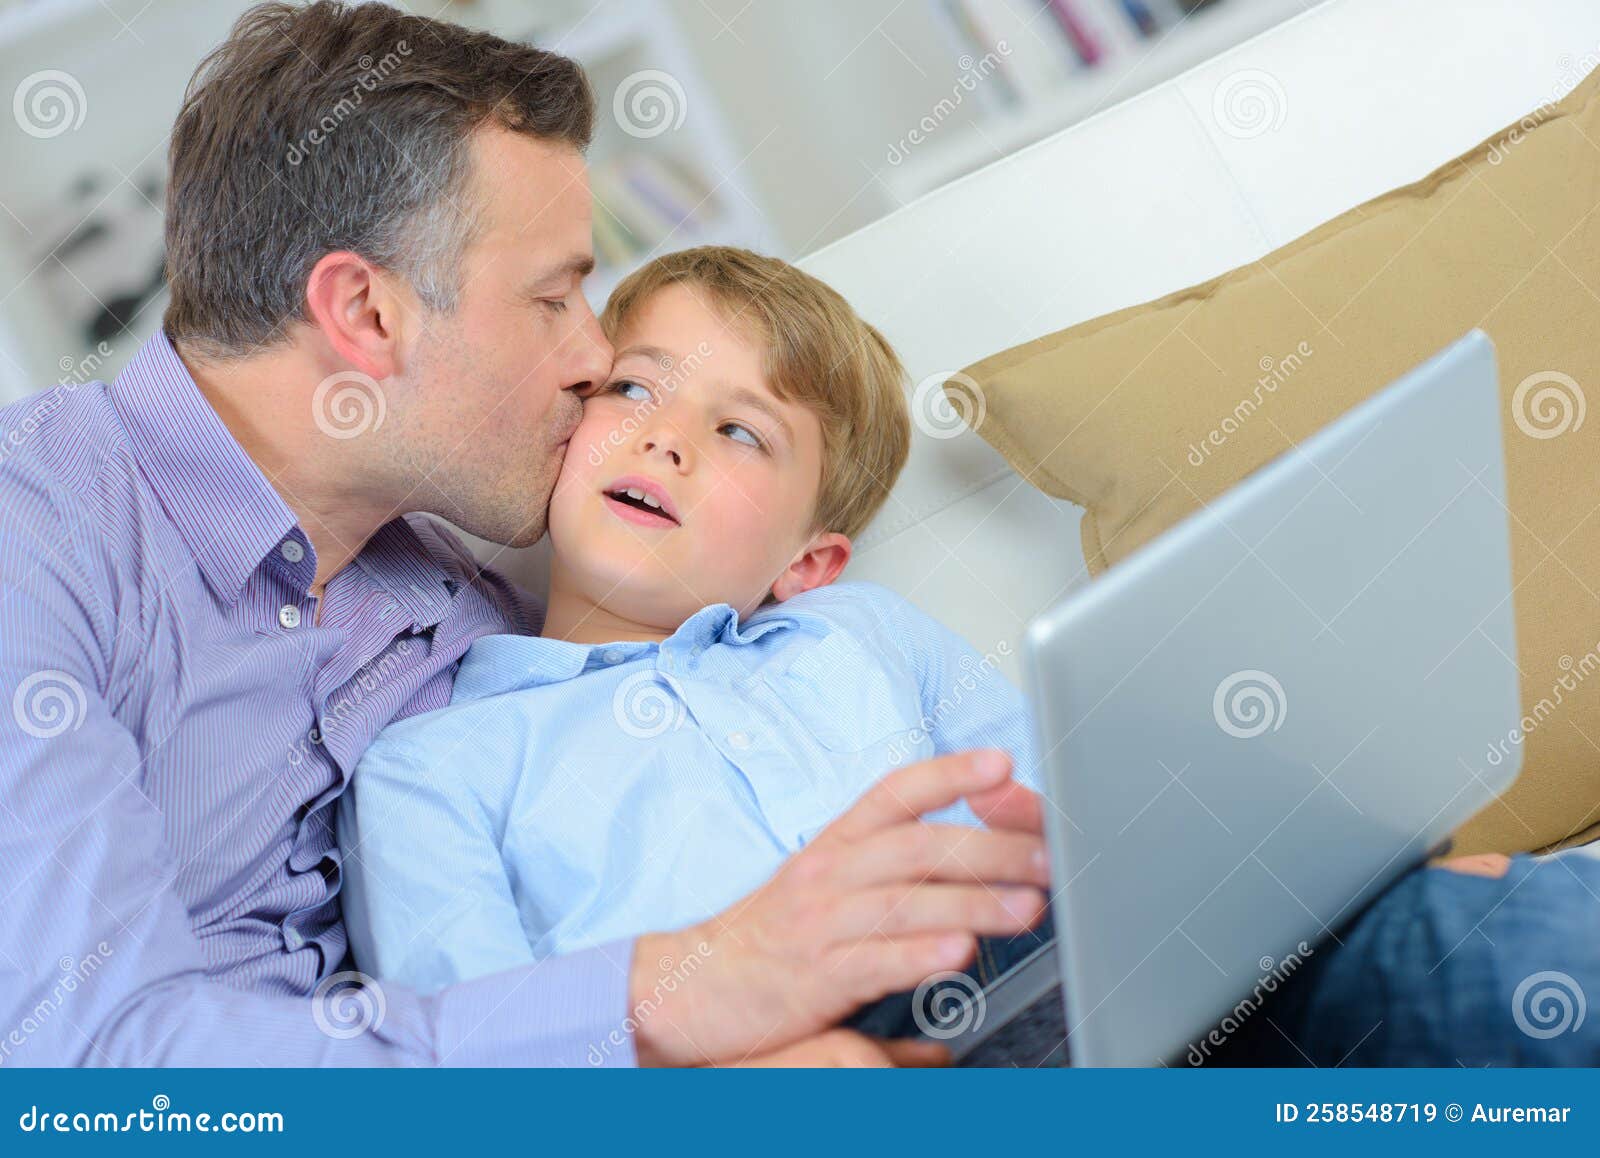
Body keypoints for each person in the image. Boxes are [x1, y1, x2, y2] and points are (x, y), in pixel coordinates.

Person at [0, 1, 1047, 1068]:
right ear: (365, 316)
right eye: (554, 298)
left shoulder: (462, 591)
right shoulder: (32, 533)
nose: (594, 359)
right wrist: (656, 1006)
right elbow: (82, 1082)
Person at [339, 247, 1051, 1016]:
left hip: (1021, 981)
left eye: (741, 432)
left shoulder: (863, 630)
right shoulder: (431, 768)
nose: (666, 438)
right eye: (635, 387)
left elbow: (1067, 813)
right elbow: (481, 1056)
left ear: (810, 561)